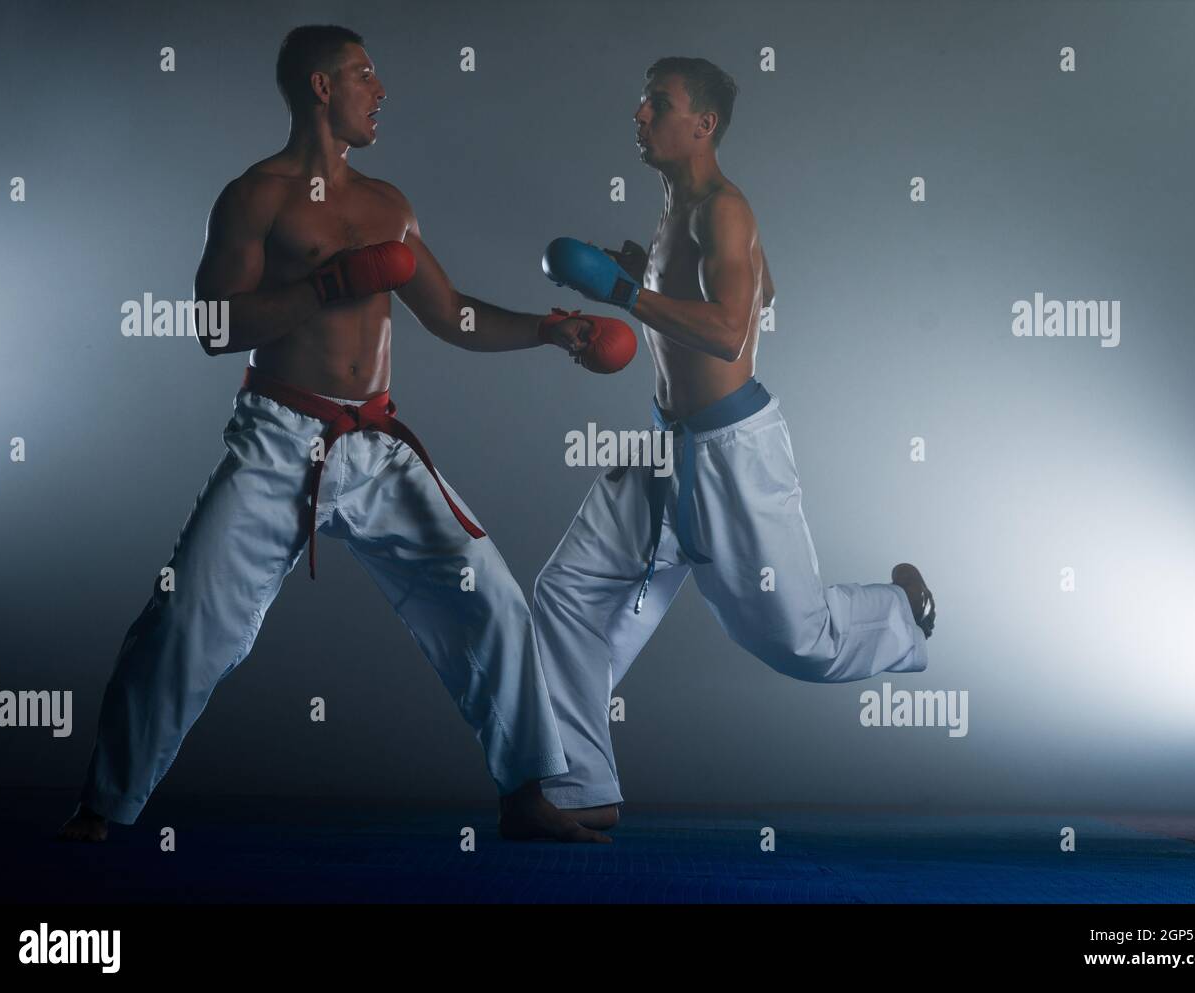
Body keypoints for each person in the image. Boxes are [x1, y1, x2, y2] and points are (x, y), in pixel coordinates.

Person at [59, 25, 617, 844]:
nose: (380, 90)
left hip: (378, 443)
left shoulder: (388, 204)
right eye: (365, 75)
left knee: (489, 596)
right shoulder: (255, 197)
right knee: (186, 619)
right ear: (321, 87)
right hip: (281, 437)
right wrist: (330, 285)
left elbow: (452, 316)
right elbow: (213, 327)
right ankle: (101, 809)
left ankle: (528, 794)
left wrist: (550, 329)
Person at [533, 57, 938, 829]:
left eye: (657, 103)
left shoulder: (723, 209)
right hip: (663, 448)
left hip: (731, 453)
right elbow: (764, 292)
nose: (640, 114)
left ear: (703, 124)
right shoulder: (674, 206)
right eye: (642, 100)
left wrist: (628, 293)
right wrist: (642, 277)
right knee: (568, 594)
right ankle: (582, 786)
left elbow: (727, 333)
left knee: (799, 640)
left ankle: (900, 613)